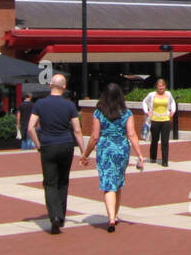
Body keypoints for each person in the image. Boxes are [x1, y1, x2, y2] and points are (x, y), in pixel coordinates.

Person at [80, 83, 145, 232]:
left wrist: (86, 154)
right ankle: (115, 215)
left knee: (108, 183)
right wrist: (140, 154)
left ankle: (110, 218)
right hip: (121, 148)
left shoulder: (99, 113)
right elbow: (132, 134)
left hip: (105, 149)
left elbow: (94, 136)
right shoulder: (126, 113)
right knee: (118, 182)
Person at [28, 72, 85, 235]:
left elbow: (30, 128)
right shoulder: (69, 105)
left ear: (50, 85)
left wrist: (38, 145)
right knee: (63, 181)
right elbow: (77, 129)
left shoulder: (40, 104)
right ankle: (61, 216)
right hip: (66, 144)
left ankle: (53, 216)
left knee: (49, 182)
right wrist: (83, 151)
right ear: (64, 87)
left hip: (48, 145)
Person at [141, 78, 176, 166]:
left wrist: (173, 111)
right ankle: (153, 157)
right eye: (159, 86)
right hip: (155, 120)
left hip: (165, 120)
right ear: (157, 86)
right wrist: (147, 111)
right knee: (155, 140)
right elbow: (144, 102)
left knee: (165, 141)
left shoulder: (168, 94)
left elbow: (172, 103)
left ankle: (165, 160)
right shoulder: (152, 95)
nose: (161, 88)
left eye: (162, 86)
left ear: (165, 86)